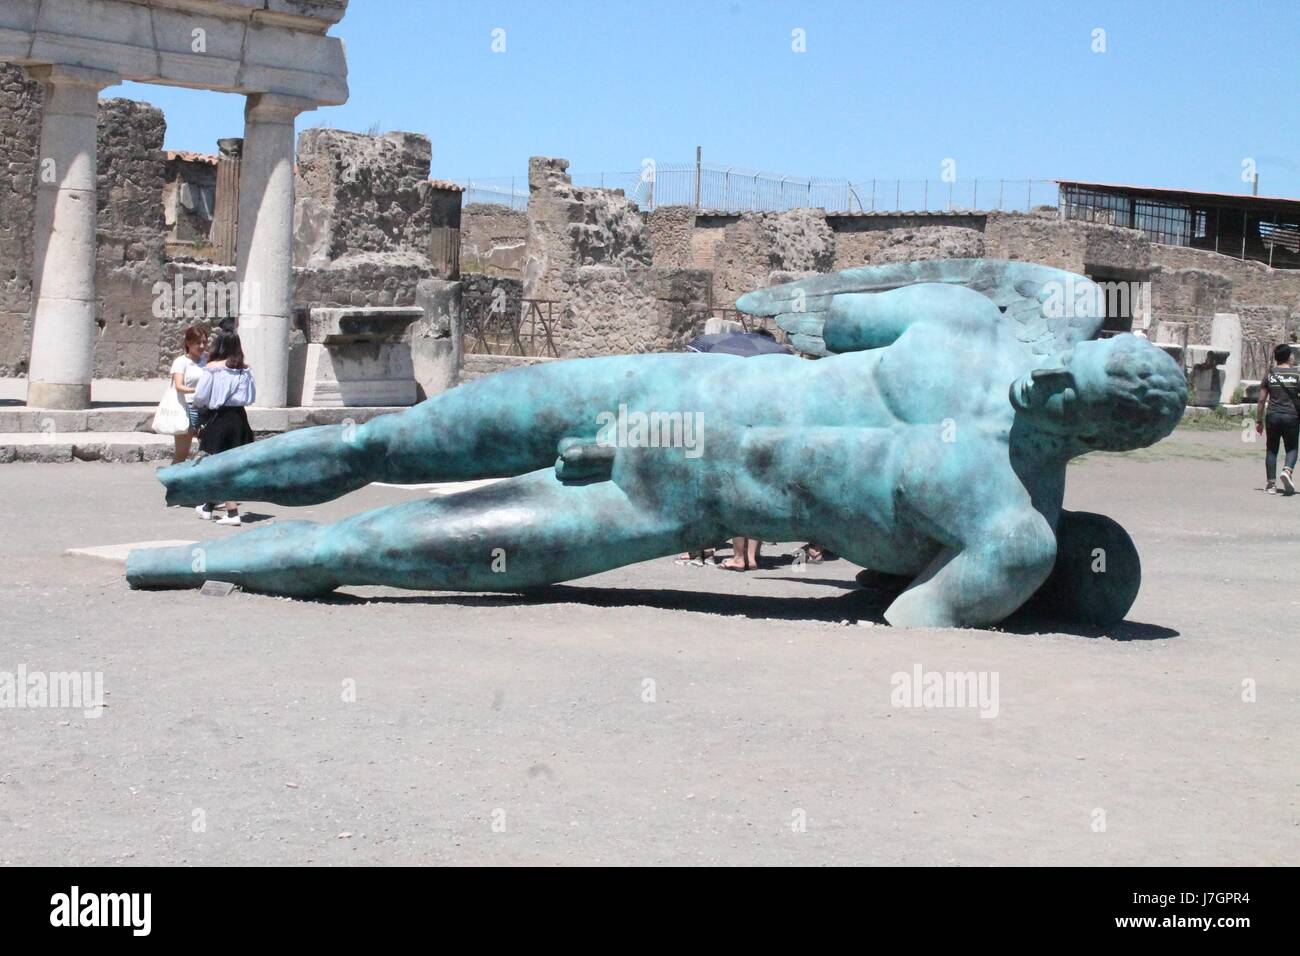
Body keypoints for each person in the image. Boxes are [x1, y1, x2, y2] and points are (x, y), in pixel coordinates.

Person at [192, 330, 256, 525]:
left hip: (219, 418)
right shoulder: (245, 369)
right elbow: (251, 397)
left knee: (219, 465)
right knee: (225, 463)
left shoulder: (212, 368)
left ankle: (232, 512)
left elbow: (201, 396)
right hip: (239, 418)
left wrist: (201, 406)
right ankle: (208, 506)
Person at [1255, 343, 1300, 495]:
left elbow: (1261, 400)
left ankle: (1271, 484)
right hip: (1291, 416)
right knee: (1292, 447)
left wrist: (1258, 420)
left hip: (1272, 416)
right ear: (1289, 356)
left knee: (1272, 449)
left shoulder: (1269, 374)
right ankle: (1287, 471)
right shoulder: (1297, 375)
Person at [167, 325, 208, 464]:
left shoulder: (207, 359)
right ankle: (172, 482)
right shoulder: (181, 362)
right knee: (182, 454)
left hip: (207, 408)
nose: (202, 346)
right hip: (188, 408)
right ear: (188, 343)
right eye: (198, 343)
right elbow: (179, 386)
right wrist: (197, 390)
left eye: (204, 342)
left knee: (207, 451)